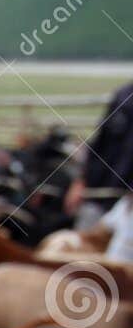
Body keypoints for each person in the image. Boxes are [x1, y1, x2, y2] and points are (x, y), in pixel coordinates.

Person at [65, 79, 133, 261]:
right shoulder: (124, 96)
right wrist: (81, 180)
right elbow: (100, 142)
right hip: (99, 197)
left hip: (128, 206)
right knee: (81, 260)